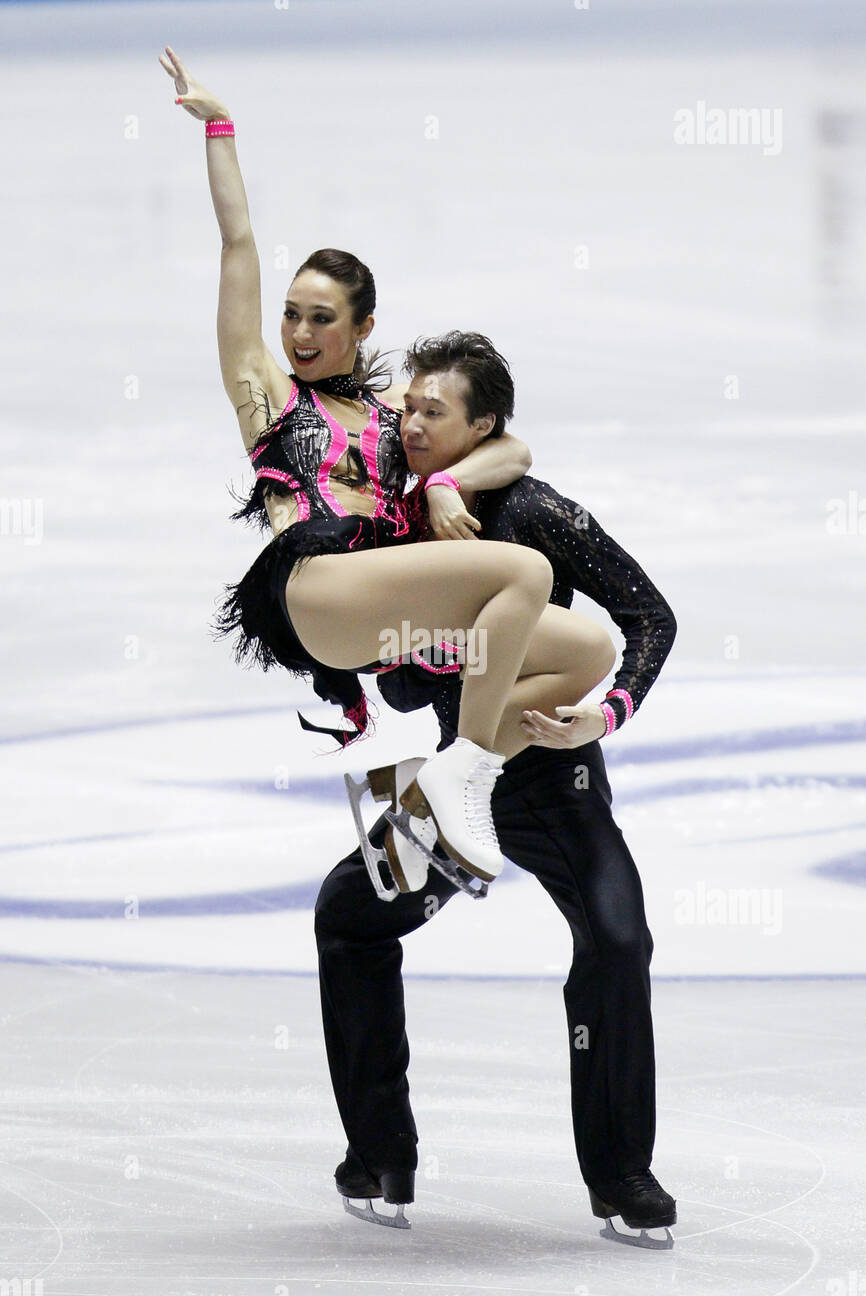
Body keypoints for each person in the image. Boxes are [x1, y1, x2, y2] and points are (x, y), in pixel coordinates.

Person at [159, 46, 616, 886]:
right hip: (317, 591)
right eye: (291, 315)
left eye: (321, 318)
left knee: (587, 649)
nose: (298, 333)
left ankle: (410, 800)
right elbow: (237, 243)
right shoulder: (270, 400)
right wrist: (219, 129)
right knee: (524, 571)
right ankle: (467, 769)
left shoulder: (388, 419)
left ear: (363, 328)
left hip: (388, 621)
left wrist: (442, 481)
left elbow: (511, 448)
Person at [316, 333, 679, 1246]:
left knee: (618, 939)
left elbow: (649, 616)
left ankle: (623, 1175)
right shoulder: (396, 518)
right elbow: (402, 687)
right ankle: (380, 1155)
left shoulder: (533, 511)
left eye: (434, 413)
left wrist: (608, 713)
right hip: (455, 781)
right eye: (409, 407)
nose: (410, 423)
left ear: (482, 427)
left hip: (552, 781)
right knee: (350, 916)